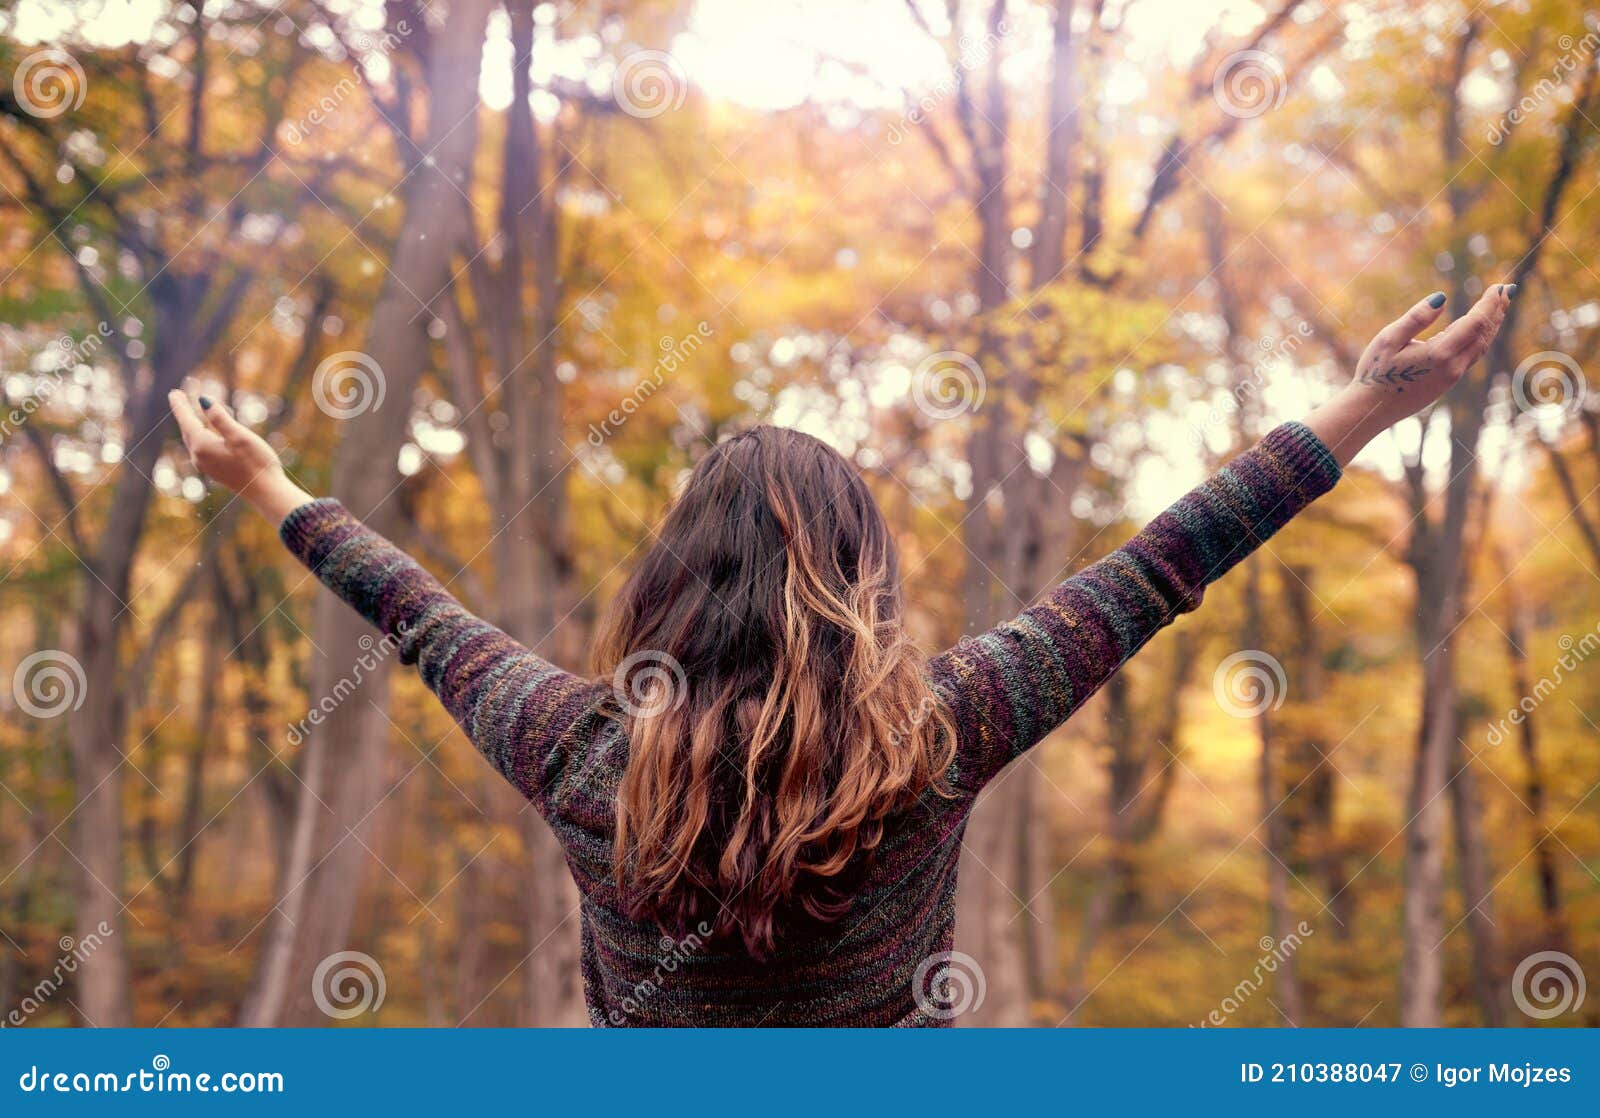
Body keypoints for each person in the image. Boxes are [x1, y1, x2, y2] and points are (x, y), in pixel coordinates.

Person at [168, 283, 1513, 1026]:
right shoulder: (943, 726)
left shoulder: (578, 748)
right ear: (858, 576)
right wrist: (1371, 401)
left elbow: (415, 612)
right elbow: (1168, 557)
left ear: (668, 587)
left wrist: (272, 485)